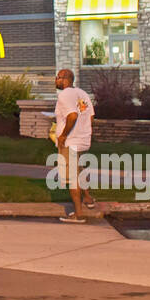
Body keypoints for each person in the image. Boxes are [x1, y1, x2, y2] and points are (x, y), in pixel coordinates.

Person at [54, 68, 96, 223]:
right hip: (83, 140)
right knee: (81, 171)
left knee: (72, 177)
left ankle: (78, 214)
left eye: (57, 77)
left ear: (65, 79)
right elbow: (90, 116)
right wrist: (82, 131)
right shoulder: (82, 94)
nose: (56, 80)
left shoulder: (64, 95)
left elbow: (72, 115)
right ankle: (88, 199)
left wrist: (64, 135)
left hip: (70, 141)